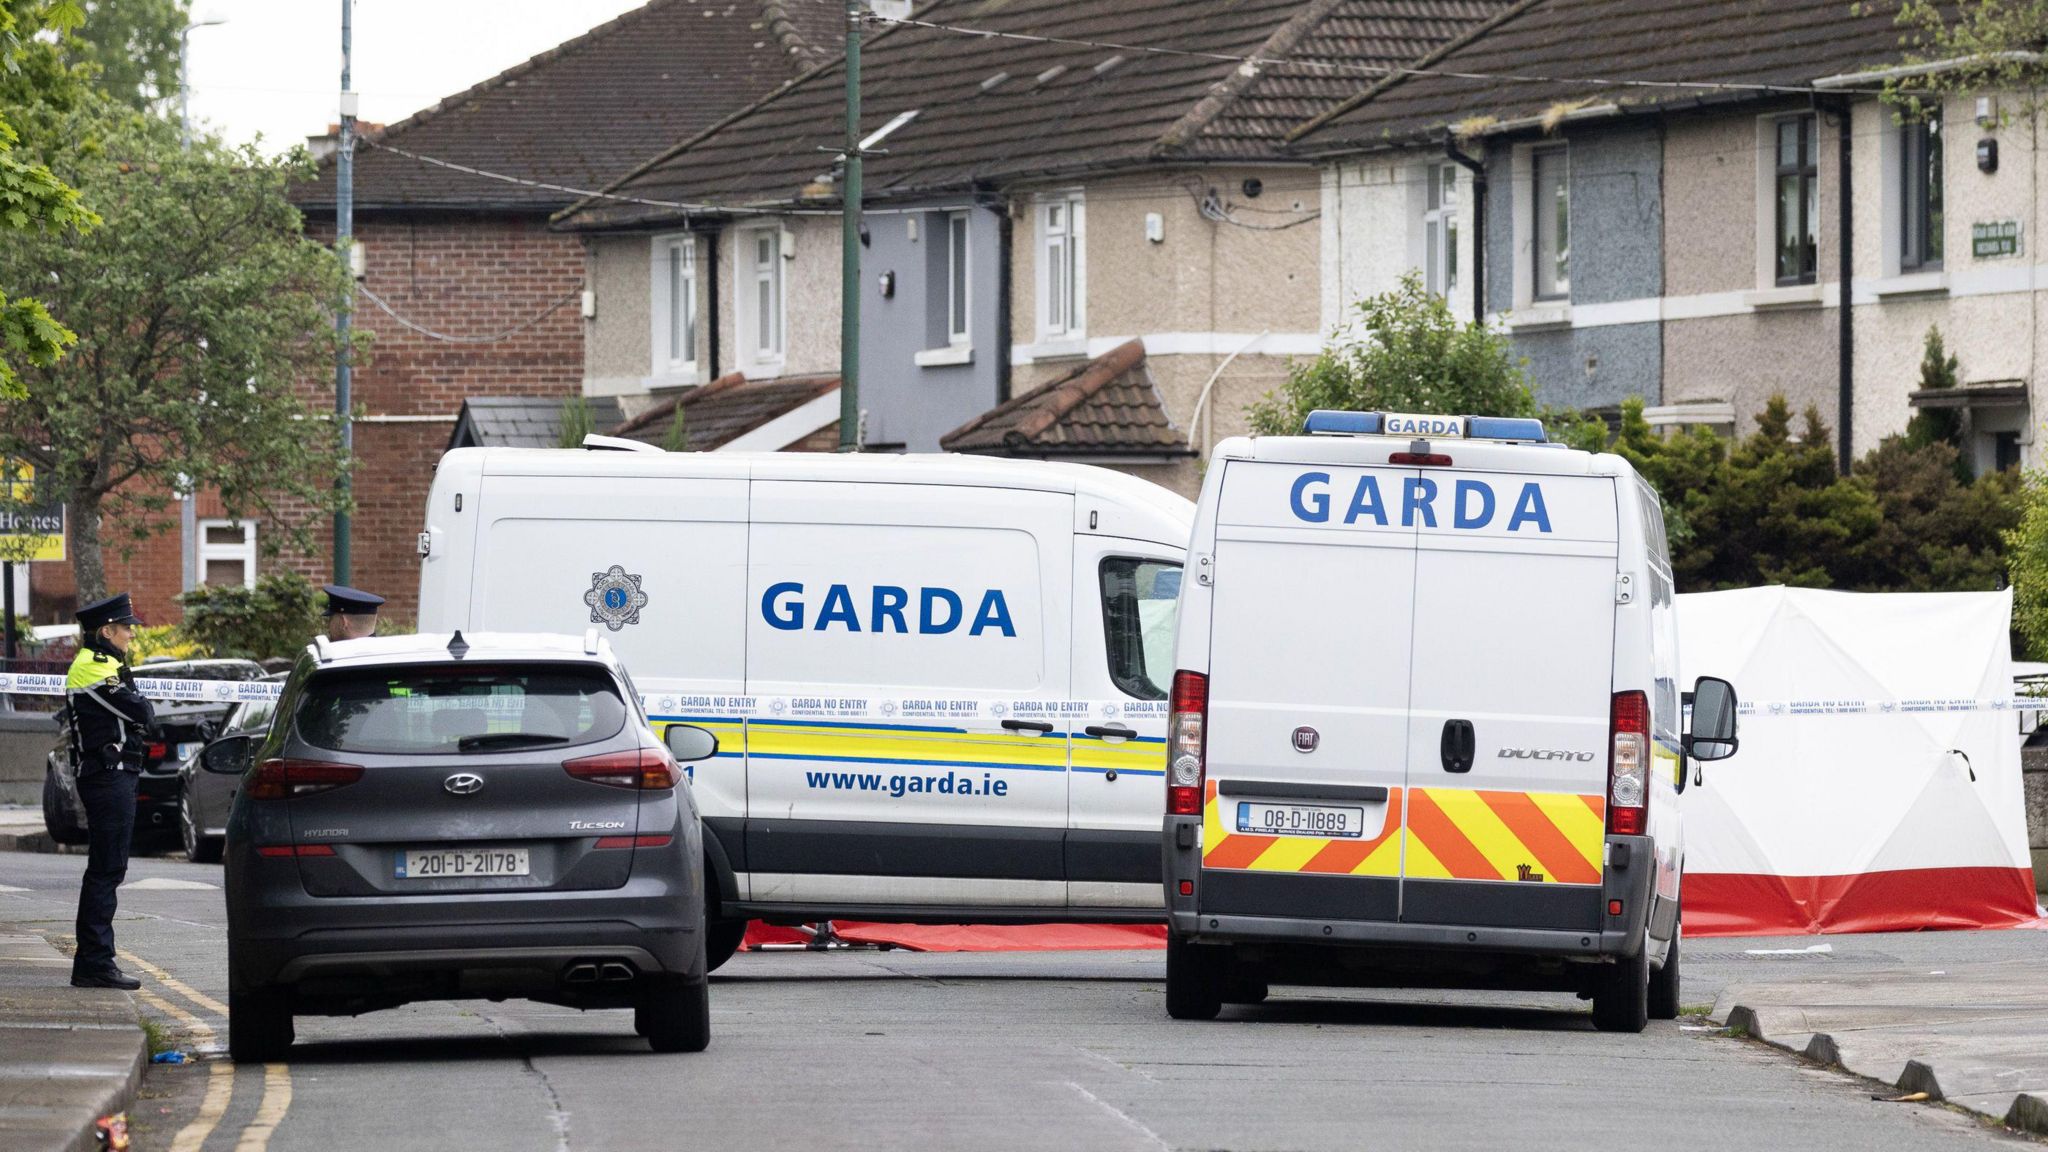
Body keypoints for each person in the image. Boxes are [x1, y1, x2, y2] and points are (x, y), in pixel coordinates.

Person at [65, 592, 156, 991]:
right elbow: (141, 712)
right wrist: (139, 705)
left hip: (115, 774)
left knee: (108, 868)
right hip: (106, 775)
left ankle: (94, 960)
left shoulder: (108, 665)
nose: (131, 637)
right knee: (105, 870)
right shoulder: (93, 667)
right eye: (126, 629)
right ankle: (94, 963)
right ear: (107, 631)